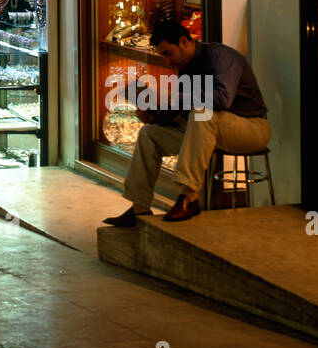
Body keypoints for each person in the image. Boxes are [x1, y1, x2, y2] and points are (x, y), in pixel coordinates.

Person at [103, 18, 272, 227]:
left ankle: (189, 197)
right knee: (150, 134)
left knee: (203, 113)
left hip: (252, 128)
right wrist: (155, 114)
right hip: (211, 129)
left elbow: (221, 99)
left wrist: (170, 97)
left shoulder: (222, 57)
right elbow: (183, 110)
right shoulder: (186, 66)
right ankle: (139, 208)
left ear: (184, 41)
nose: (167, 62)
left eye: (168, 53)